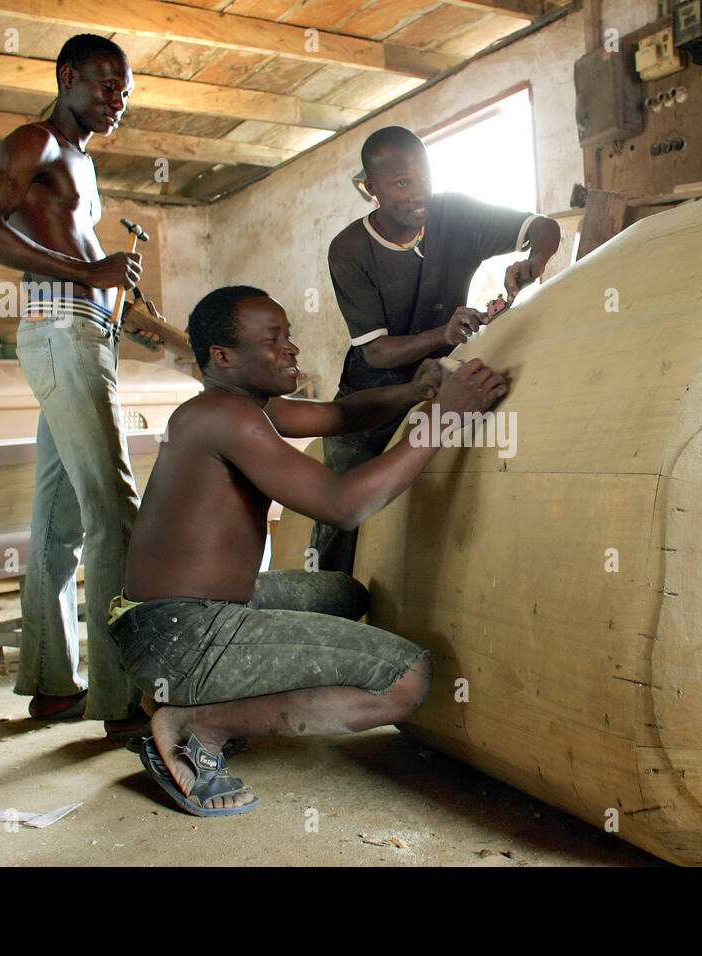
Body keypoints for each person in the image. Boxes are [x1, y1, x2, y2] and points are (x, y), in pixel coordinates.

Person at [110, 285, 509, 815]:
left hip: (174, 620)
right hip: (182, 634)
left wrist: (416, 390)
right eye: (274, 341)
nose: (291, 350)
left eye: (289, 336)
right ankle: (194, 727)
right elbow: (343, 505)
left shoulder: (242, 406)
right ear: (223, 358)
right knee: (405, 680)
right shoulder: (225, 417)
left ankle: (180, 699)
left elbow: (342, 416)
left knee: (342, 594)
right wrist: (445, 418)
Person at [0, 34, 166, 738]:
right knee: (116, 512)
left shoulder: (81, 163)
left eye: (126, 92)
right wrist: (88, 275)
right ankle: (121, 697)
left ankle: (53, 686)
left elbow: (80, 257)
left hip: (83, 327)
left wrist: (126, 312)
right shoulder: (34, 141)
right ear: (68, 76)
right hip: (59, 328)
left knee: (60, 524)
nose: (118, 101)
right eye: (107, 86)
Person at [311, 125, 561, 573]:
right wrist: (443, 335)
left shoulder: (455, 214)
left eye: (424, 178)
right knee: (342, 508)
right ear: (371, 189)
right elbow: (377, 354)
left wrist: (534, 260)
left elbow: (542, 226)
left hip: (436, 375)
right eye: (402, 183)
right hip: (372, 394)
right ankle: (330, 599)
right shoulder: (349, 249)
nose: (419, 194)